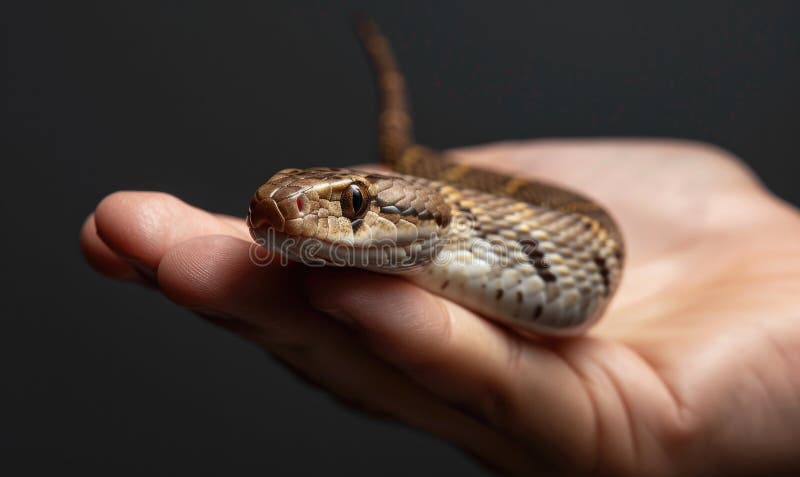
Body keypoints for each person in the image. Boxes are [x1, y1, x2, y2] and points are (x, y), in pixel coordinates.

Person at [80, 139, 800, 476]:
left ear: (428, 217)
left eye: (354, 207)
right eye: (269, 198)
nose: (287, 211)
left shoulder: (471, 220)